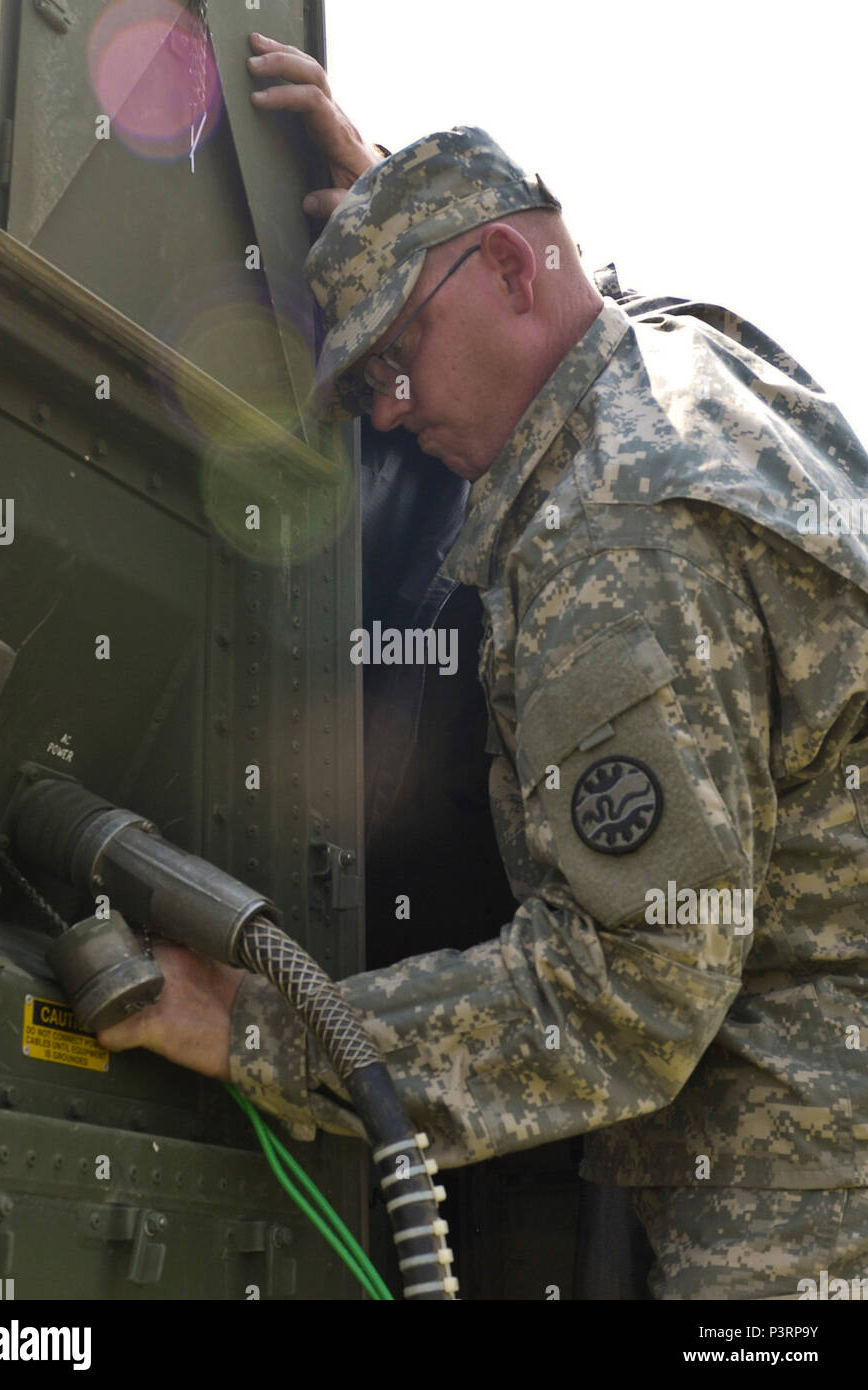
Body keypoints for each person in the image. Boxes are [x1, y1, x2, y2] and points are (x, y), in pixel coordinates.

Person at [100, 37, 868, 1300]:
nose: (390, 410)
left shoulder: (613, 524)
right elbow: (571, 296)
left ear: (511, 267)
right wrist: (408, 225)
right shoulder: (694, 375)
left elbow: (624, 994)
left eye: (398, 354)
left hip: (804, 1198)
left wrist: (255, 1027)